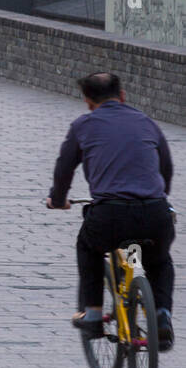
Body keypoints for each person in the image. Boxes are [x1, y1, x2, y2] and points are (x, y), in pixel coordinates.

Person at [46, 72, 175, 351]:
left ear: (89, 102)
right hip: (155, 213)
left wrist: (57, 200)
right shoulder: (146, 122)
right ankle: (162, 316)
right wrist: (158, 197)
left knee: (88, 246)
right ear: (123, 95)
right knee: (160, 260)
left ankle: (92, 313)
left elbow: (64, 168)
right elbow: (166, 168)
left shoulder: (83, 125)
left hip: (110, 215)